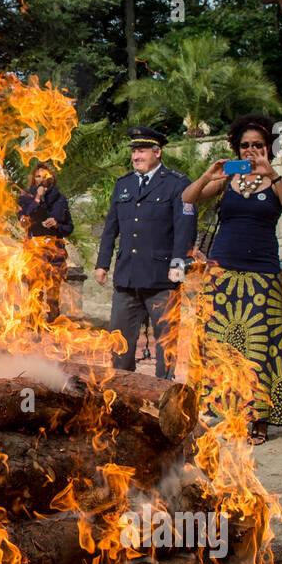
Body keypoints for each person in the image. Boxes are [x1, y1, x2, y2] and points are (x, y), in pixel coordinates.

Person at [181, 114, 282, 443]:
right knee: (220, 346)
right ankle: (223, 411)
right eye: (245, 145)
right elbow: (188, 198)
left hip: (262, 275)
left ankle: (259, 418)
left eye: (257, 146)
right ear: (237, 147)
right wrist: (209, 174)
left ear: (268, 148)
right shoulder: (228, 182)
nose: (251, 151)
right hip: (222, 273)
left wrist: (271, 173)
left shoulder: (276, 180)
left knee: (260, 350)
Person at [95, 126, 196, 379]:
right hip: (127, 278)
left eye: (141, 151)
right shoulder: (124, 184)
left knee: (166, 346)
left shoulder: (177, 184)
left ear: (157, 152)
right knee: (119, 346)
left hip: (162, 278)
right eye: (134, 151)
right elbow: (111, 228)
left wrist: (178, 264)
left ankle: (165, 394)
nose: (135, 156)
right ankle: (120, 394)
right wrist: (102, 263)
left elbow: (185, 228)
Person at [17, 163, 73, 321]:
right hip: (35, 250)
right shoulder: (25, 198)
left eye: (46, 176)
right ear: (34, 179)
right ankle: (34, 325)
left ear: (52, 178)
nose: (42, 179)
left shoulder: (60, 200)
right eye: (38, 176)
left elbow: (69, 227)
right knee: (35, 290)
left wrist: (57, 225)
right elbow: (24, 218)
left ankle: (54, 324)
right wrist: (37, 198)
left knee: (54, 292)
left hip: (56, 250)